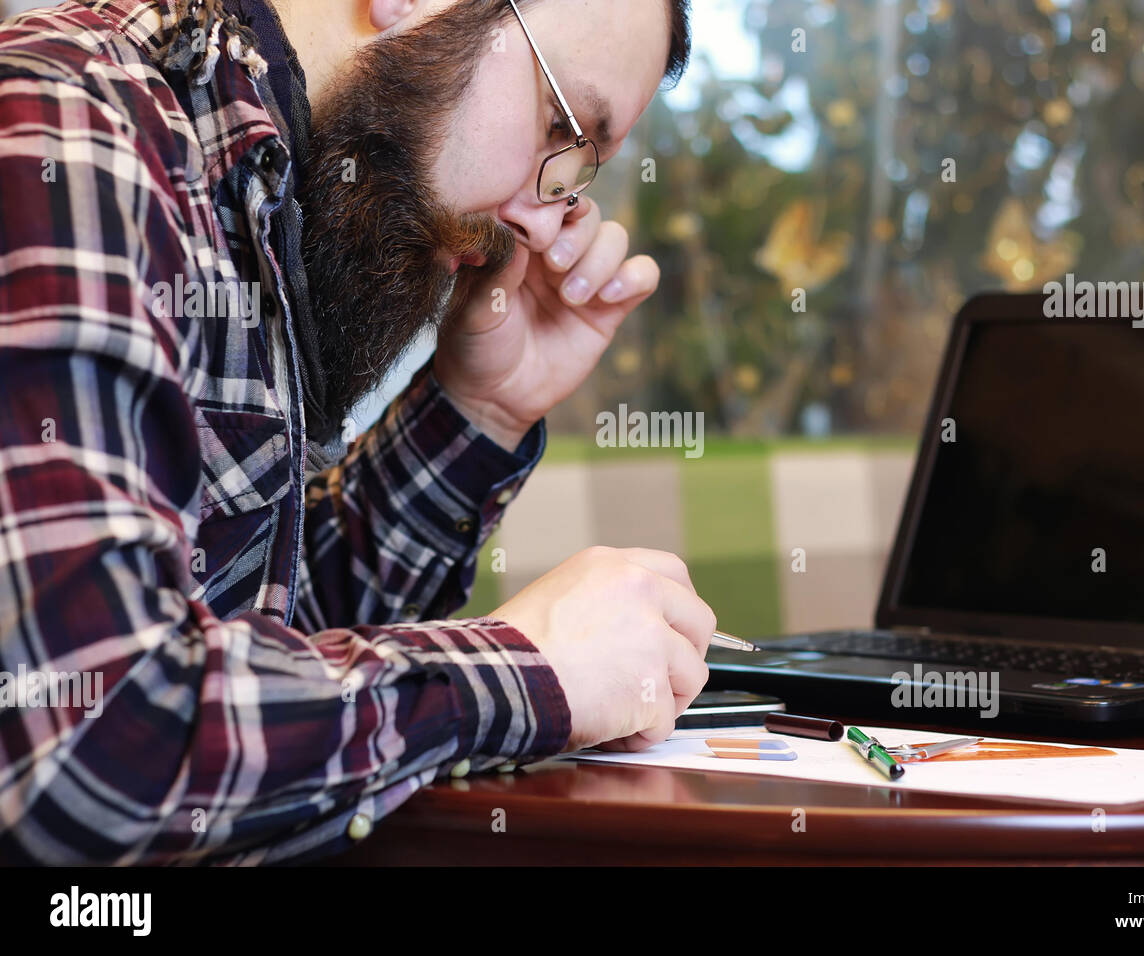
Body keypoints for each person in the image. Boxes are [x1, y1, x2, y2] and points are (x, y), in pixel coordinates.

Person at [0, 0, 714, 864]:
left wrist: (478, 413)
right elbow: (87, 745)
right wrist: (532, 669)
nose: (538, 220)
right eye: (561, 124)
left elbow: (269, 653)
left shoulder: (256, 185)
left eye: (575, 172)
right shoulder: (68, 123)